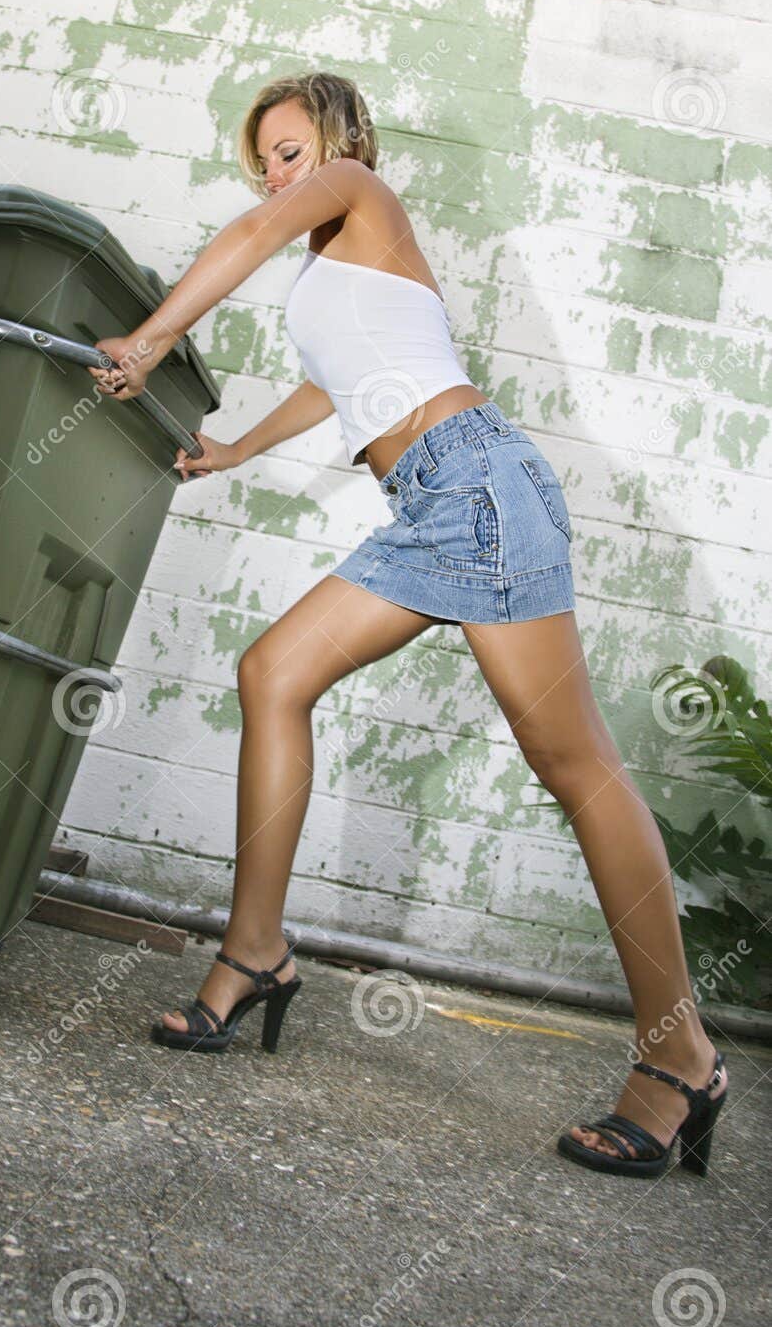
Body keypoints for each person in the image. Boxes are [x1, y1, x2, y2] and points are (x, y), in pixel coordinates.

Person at [86, 71, 727, 1179]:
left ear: (337, 139)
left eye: (289, 152)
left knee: (575, 768)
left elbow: (250, 233)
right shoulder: (340, 273)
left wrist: (146, 341)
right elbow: (339, 387)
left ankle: (679, 1062)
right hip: (431, 504)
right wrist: (236, 449)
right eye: (266, 162)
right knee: (273, 674)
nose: (279, 176)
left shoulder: (354, 192)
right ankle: (255, 953)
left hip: (478, 487)